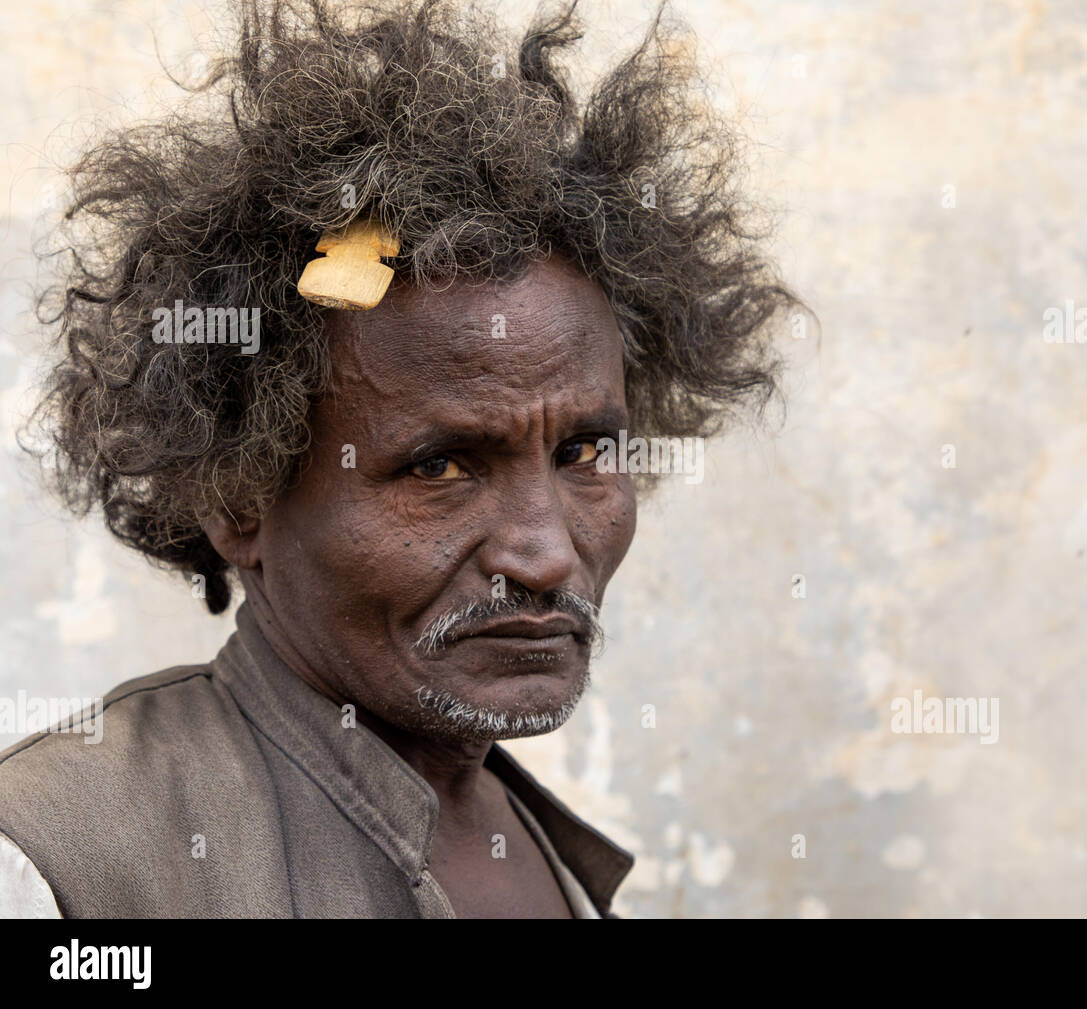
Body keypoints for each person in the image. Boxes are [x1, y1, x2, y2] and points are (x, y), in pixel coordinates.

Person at [0, 0, 802, 918]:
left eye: (583, 451)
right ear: (239, 494)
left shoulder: (550, 857)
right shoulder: (53, 860)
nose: (543, 557)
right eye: (440, 468)